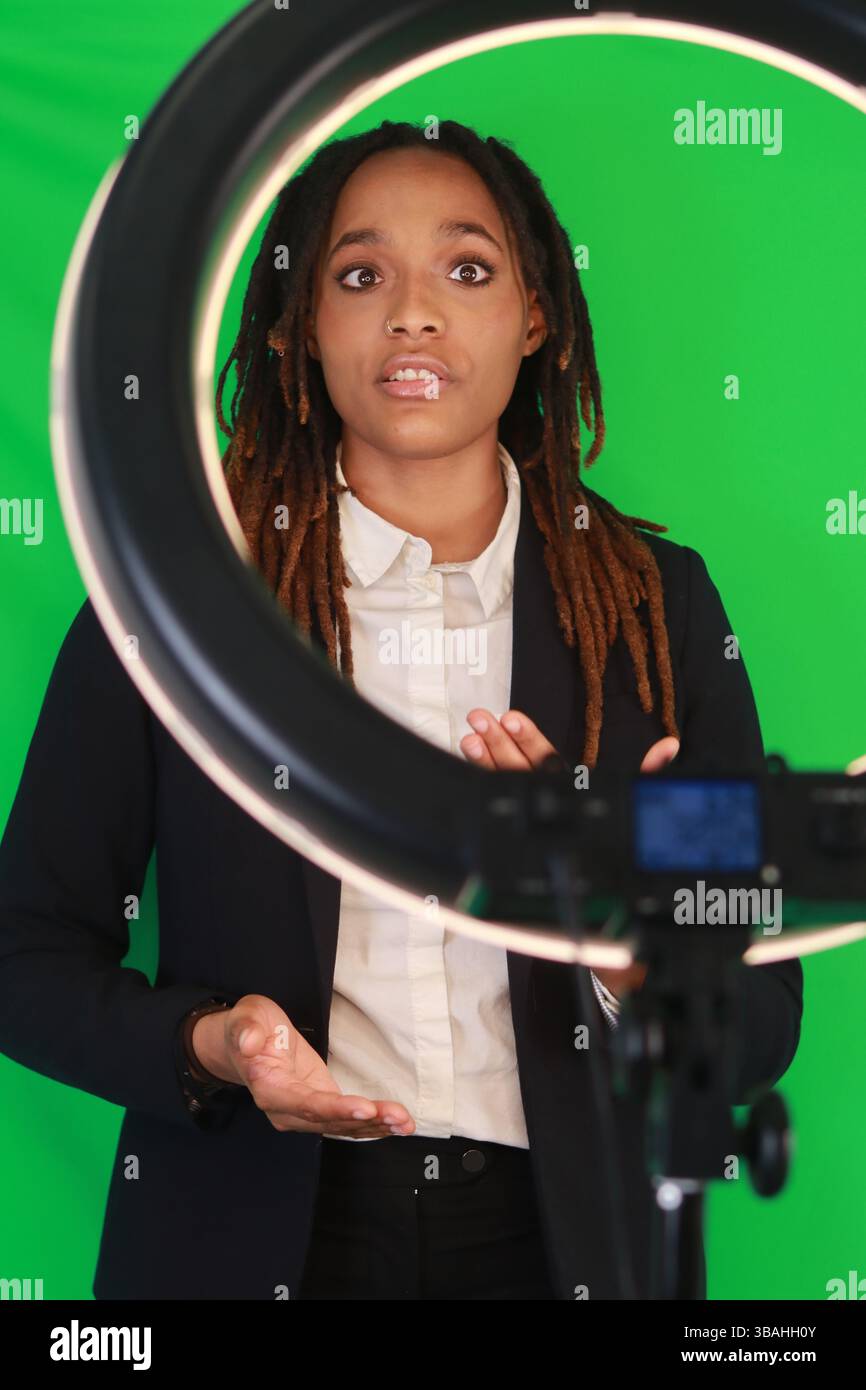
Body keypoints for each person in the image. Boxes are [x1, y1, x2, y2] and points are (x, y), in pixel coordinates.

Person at [0, 120, 806, 1299]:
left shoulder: (653, 617)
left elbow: (758, 1022)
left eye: (467, 270)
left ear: (534, 318)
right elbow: (24, 957)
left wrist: (623, 943)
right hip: (252, 1237)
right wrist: (210, 1045)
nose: (412, 313)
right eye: (359, 274)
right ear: (301, 324)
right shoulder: (177, 608)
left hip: (565, 1247)